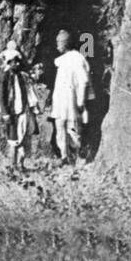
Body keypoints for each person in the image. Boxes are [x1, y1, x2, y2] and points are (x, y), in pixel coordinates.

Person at [0, 43, 38, 172]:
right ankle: (13, 166)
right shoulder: (4, 77)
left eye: (17, 62)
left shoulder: (20, 76)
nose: (17, 64)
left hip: (22, 111)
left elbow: (27, 93)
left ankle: (21, 165)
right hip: (12, 113)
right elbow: (1, 96)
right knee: (13, 140)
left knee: (23, 138)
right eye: (14, 62)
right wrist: (5, 113)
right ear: (9, 62)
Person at [51, 30, 91, 165]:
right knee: (60, 128)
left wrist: (80, 101)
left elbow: (83, 81)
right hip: (60, 100)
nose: (57, 46)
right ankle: (64, 157)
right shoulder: (62, 60)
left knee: (73, 128)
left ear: (65, 43)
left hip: (71, 100)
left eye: (59, 43)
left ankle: (76, 156)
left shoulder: (77, 58)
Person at [29, 60, 54, 162]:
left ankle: (46, 152)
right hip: (34, 112)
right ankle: (34, 153)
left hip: (44, 112)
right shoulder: (30, 85)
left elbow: (48, 101)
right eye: (37, 69)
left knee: (46, 130)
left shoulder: (47, 88)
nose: (39, 71)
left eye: (40, 69)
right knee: (34, 131)